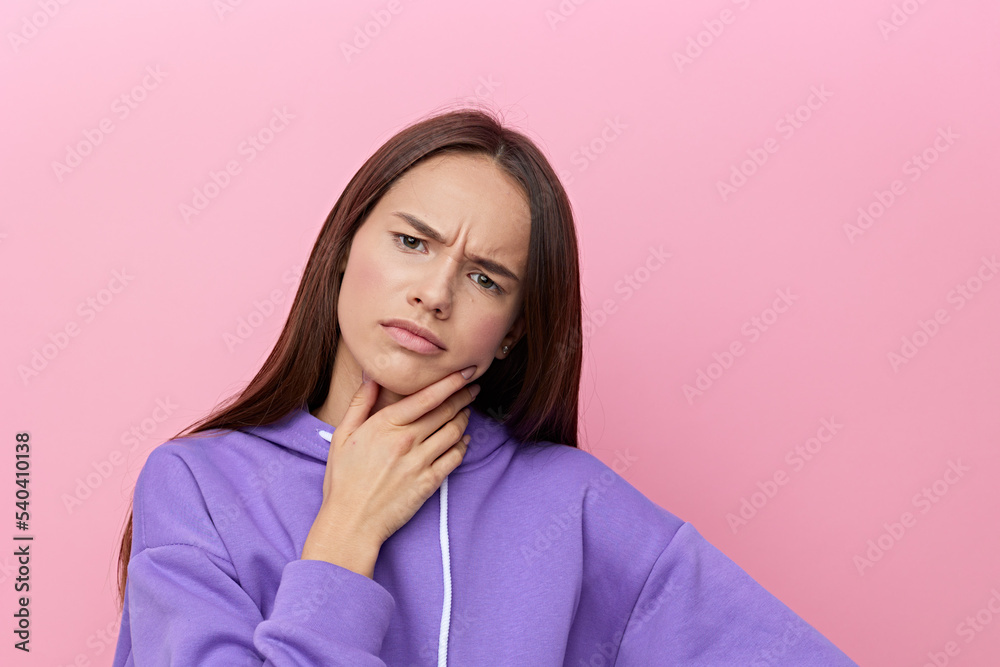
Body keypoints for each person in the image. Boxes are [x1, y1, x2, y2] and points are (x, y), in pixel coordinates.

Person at [111, 106, 858, 666]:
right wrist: (346, 532)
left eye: (484, 276)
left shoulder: (572, 501)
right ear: (343, 248)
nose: (434, 293)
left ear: (513, 332)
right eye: (412, 242)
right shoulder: (197, 484)